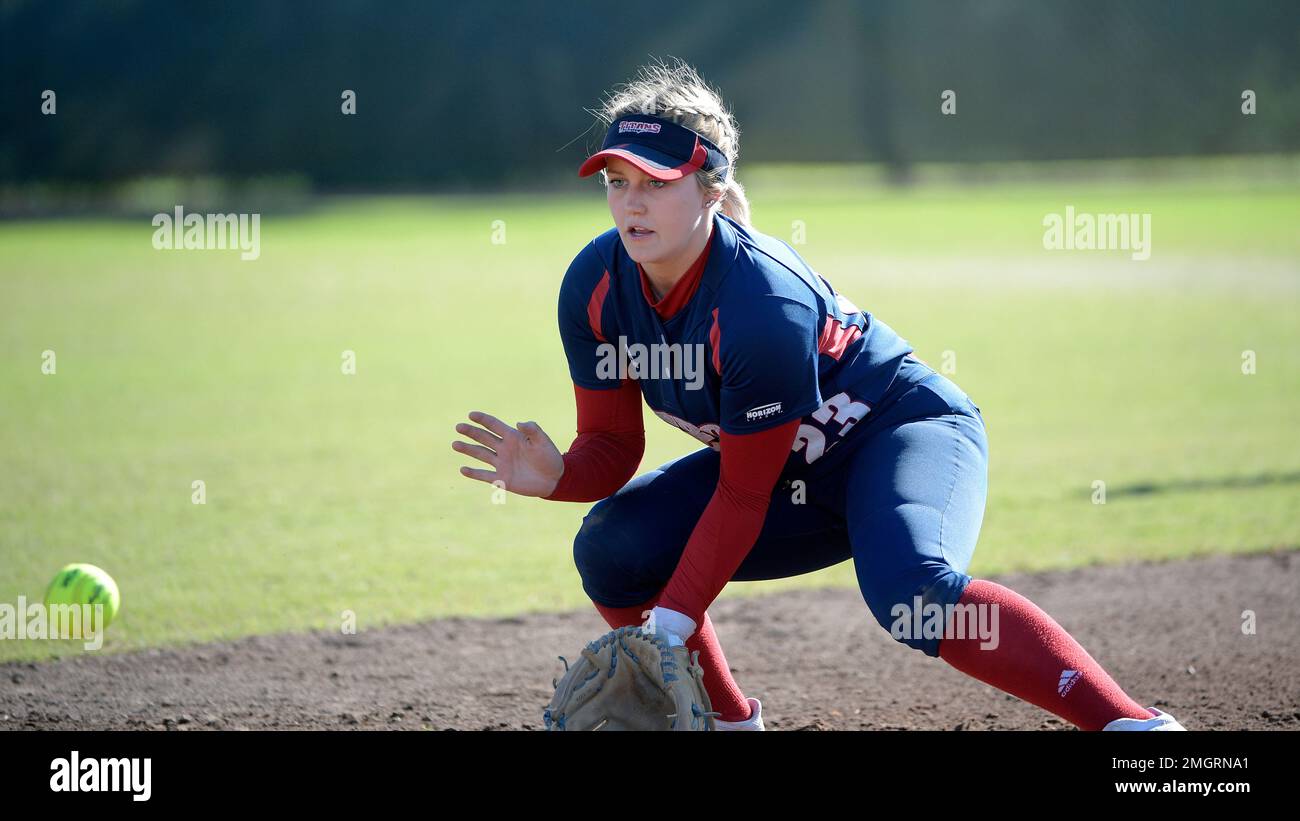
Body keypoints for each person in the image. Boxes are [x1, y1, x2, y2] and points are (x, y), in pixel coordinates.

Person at [452, 58, 1185, 732]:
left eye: (657, 181)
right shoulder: (597, 288)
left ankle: (1134, 728)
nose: (631, 203)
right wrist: (560, 479)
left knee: (914, 595)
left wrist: (666, 628)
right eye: (617, 181)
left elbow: (741, 497)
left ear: (710, 185)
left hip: (895, 430)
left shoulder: (761, 306)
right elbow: (613, 448)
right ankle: (734, 725)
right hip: (780, 466)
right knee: (613, 546)